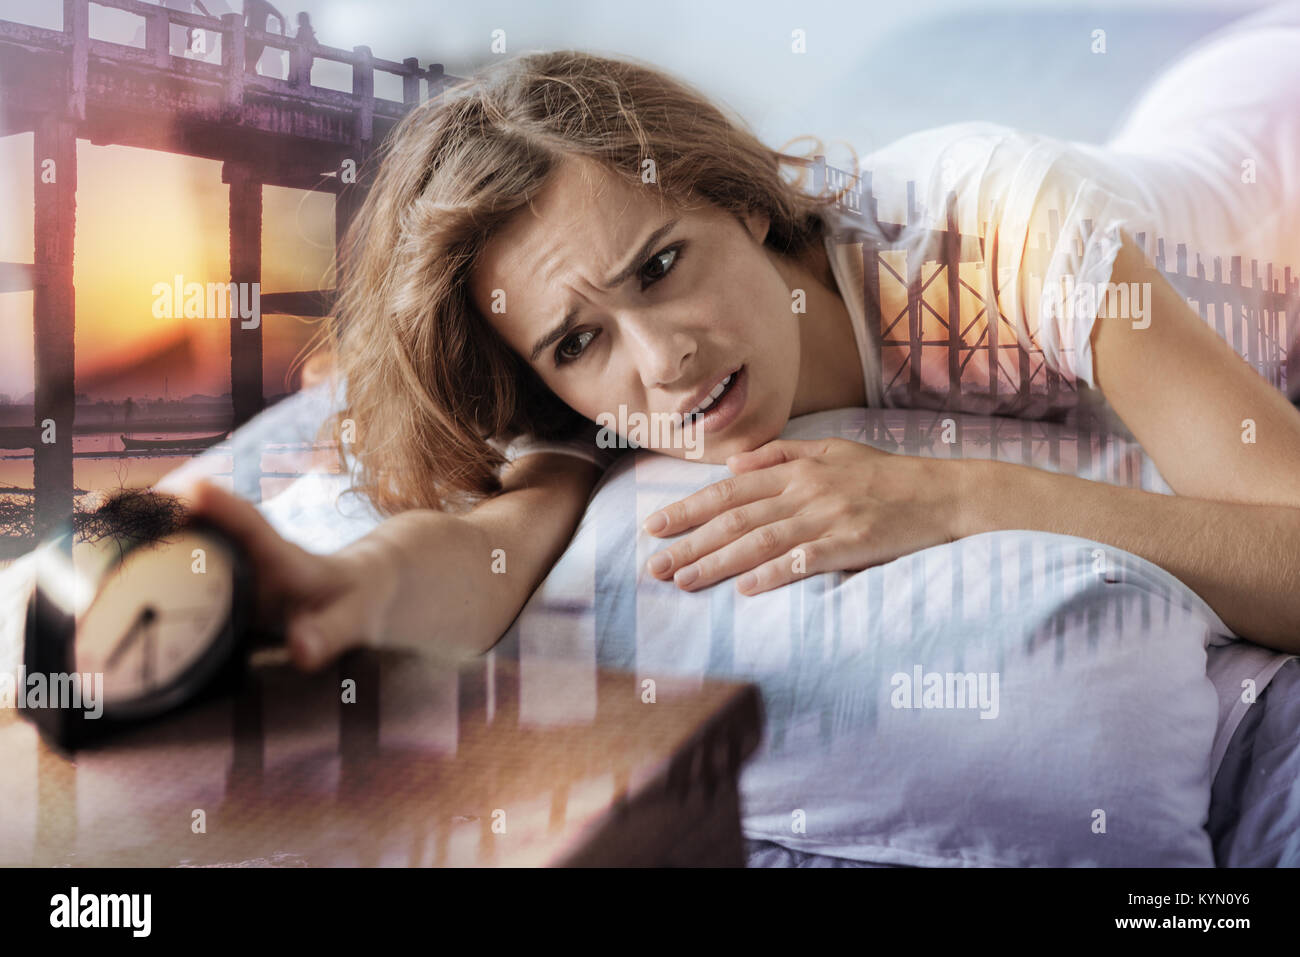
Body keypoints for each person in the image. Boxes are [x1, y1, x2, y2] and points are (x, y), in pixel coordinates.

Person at [166, 11, 1300, 673]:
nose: (662, 363)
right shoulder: (596, 404)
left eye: (660, 266)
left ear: (744, 199)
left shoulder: (996, 231)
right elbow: (497, 548)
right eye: (577, 340)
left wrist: (957, 499)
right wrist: (341, 592)